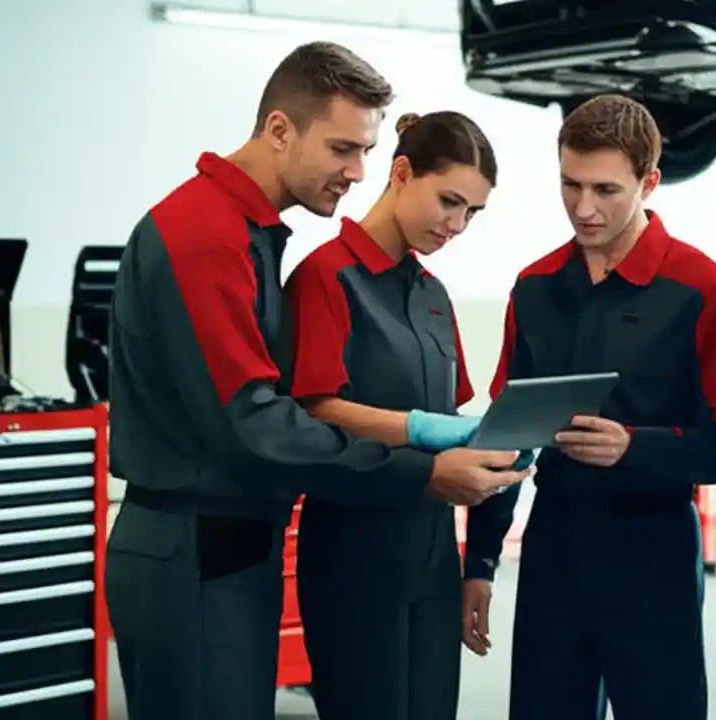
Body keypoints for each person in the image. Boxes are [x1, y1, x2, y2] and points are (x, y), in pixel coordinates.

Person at [104, 42, 530, 720]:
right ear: (280, 129)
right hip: (196, 547)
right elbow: (255, 423)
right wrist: (417, 463)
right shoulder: (204, 234)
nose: (357, 173)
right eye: (342, 149)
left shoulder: (249, 233)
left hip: (232, 545)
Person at [463, 94, 716, 719]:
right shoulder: (536, 288)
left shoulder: (705, 292)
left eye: (605, 189)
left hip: (652, 547)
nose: (584, 208)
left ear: (649, 182)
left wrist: (637, 447)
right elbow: (505, 435)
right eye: (569, 185)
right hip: (554, 548)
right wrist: (483, 561)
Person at [282, 109, 528, 720]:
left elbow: (458, 413)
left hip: (432, 554)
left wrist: (500, 441)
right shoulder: (325, 278)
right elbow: (312, 408)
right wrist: (423, 429)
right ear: (400, 172)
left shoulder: (434, 296)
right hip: (353, 552)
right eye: (449, 201)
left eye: (472, 212)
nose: (458, 224)